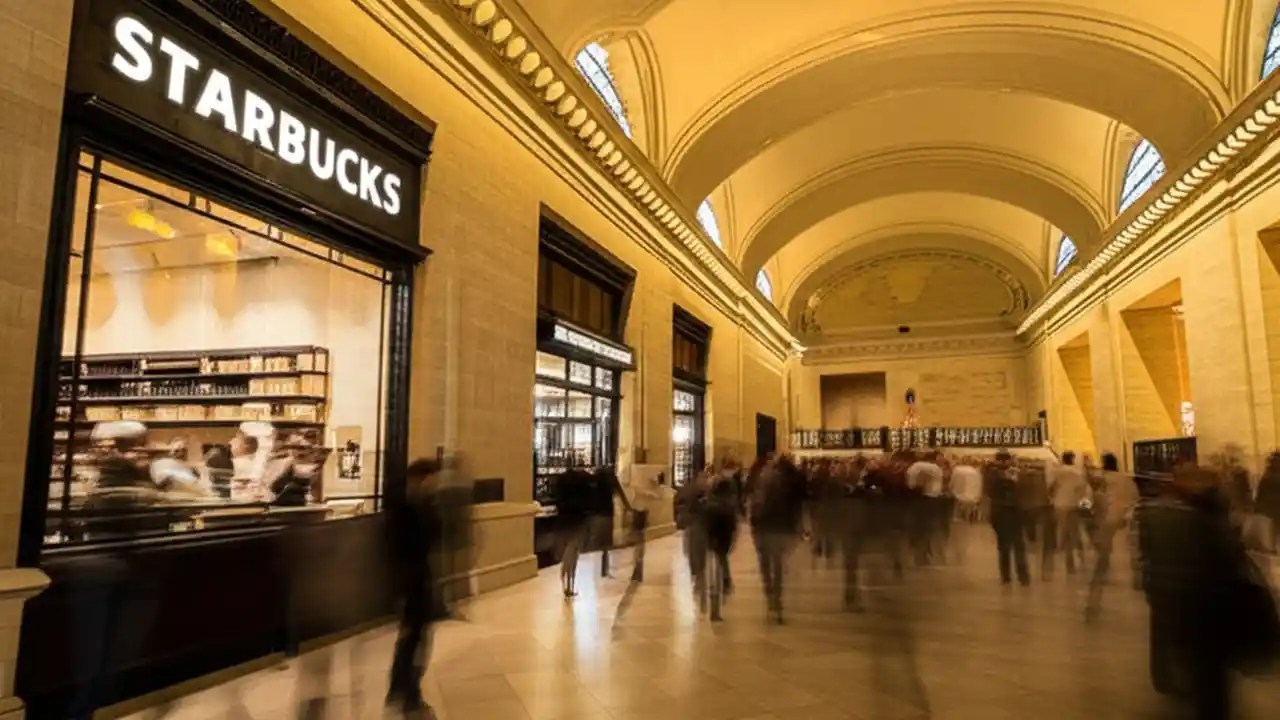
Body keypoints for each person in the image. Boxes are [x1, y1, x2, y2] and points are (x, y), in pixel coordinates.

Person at [1137, 465, 1240, 719]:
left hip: (1166, 587)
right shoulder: (1204, 514)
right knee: (1204, 658)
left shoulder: (1155, 512)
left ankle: (1166, 677)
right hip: (1196, 592)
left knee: (1166, 633)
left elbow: (1145, 550)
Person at [385, 458, 443, 718]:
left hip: (419, 580)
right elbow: (396, 550)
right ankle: (407, 692)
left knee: (414, 638)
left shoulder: (422, 506)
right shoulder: (404, 510)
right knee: (412, 639)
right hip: (411, 583)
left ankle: (403, 689)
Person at [747, 455, 804, 624]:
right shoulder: (784, 484)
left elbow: (754, 509)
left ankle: (771, 594)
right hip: (778, 527)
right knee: (777, 565)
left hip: (765, 528)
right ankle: (775, 599)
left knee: (767, 564)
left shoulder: (759, 485)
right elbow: (794, 506)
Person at [1085, 453, 1137, 618]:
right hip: (1125, 523)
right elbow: (1135, 499)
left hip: (1106, 522)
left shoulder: (1101, 480)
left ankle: (1093, 606)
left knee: (1101, 564)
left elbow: (1089, 501)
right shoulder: (1127, 481)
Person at [986, 450, 1029, 586]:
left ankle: (1007, 576)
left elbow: (989, 492)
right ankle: (1022, 576)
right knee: (1017, 545)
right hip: (1012, 512)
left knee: (1005, 546)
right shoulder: (1013, 474)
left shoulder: (991, 474)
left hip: (1000, 512)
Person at [554, 460, 594, 598]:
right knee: (574, 549)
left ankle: (565, 577)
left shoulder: (561, 480)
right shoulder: (583, 479)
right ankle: (569, 580)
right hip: (579, 518)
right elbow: (589, 497)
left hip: (564, 517)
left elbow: (556, 497)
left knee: (568, 548)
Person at [1048, 451, 1089, 576]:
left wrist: (1052, 499)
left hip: (1060, 505)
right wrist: (1085, 508)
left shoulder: (1057, 472)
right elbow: (1083, 492)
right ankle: (1082, 561)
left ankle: (1069, 563)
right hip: (1074, 505)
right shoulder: (1078, 473)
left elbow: (1051, 488)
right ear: (1072, 459)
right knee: (1075, 533)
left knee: (1064, 533)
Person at [589, 465, 633, 578]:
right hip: (607, 513)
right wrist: (628, 507)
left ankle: (601, 568)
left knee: (599, 542)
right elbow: (621, 494)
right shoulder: (611, 478)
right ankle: (605, 568)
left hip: (597, 513)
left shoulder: (595, 478)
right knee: (606, 544)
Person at [906, 451, 944, 564]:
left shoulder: (913, 467)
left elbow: (909, 483)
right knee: (927, 529)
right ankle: (923, 554)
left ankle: (916, 548)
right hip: (930, 499)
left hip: (915, 499)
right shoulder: (935, 468)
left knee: (917, 527)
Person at [949, 456, 983, 562]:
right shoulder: (977, 473)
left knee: (957, 527)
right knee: (967, 527)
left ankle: (957, 551)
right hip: (972, 500)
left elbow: (952, 485)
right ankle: (964, 550)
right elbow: (979, 488)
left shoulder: (957, 470)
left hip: (959, 499)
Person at [1256, 452, 1280, 553]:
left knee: (1272, 529)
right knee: (1273, 529)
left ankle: (1272, 548)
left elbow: (1260, 493)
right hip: (1272, 507)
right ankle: (1272, 548)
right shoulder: (1268, 476)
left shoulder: (1267, 476)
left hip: (1269, 508)